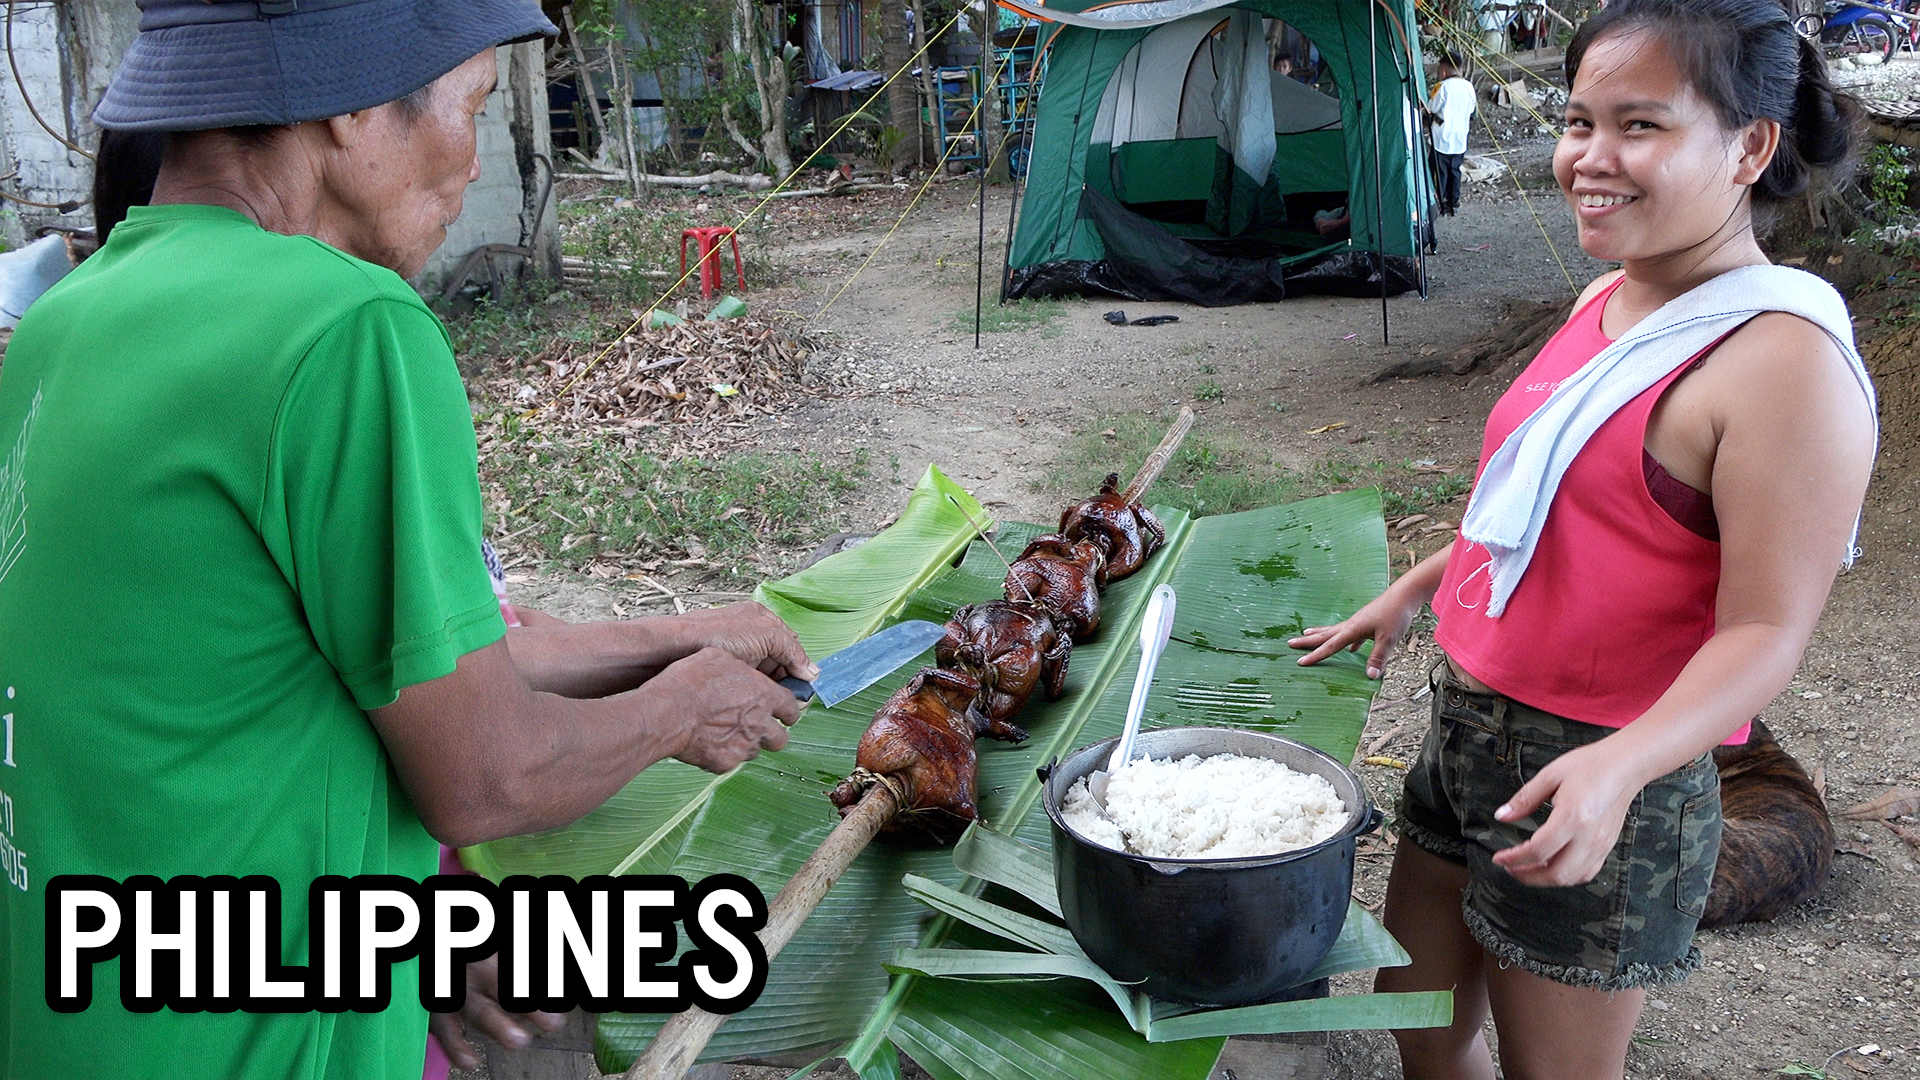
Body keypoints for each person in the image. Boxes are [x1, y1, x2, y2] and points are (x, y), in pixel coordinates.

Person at [0, 2, 818, 1077]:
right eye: (472, 105)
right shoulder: (344, 328)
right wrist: (680, 708)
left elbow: (315, 681)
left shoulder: (65, 319)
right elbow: (487, 775)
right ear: (348, 106)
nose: (471, 160)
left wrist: (686, 635)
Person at [1292, 1, 1874, 1077]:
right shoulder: (1615, 294)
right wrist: (1423, 583)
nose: (1588, 160)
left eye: (1640, 126)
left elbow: (1764, 633)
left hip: (1604, 769)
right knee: (1420, 1024)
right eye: (1578, 121)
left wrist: (1621, 768)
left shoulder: (1780, 364)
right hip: (1470, 735)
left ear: (1751, 146)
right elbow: (1546, 504)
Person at [1426, 53, 1476, 217]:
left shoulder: (1442, 87)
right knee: (1455, 169)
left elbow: (1432, 108)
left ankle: (1440, 203)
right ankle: (1454, 202)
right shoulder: (1469, 86)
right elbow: (1471, 110)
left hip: (1442, 135)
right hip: (1460, 135)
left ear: (1444, 70)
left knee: (1440, 171)